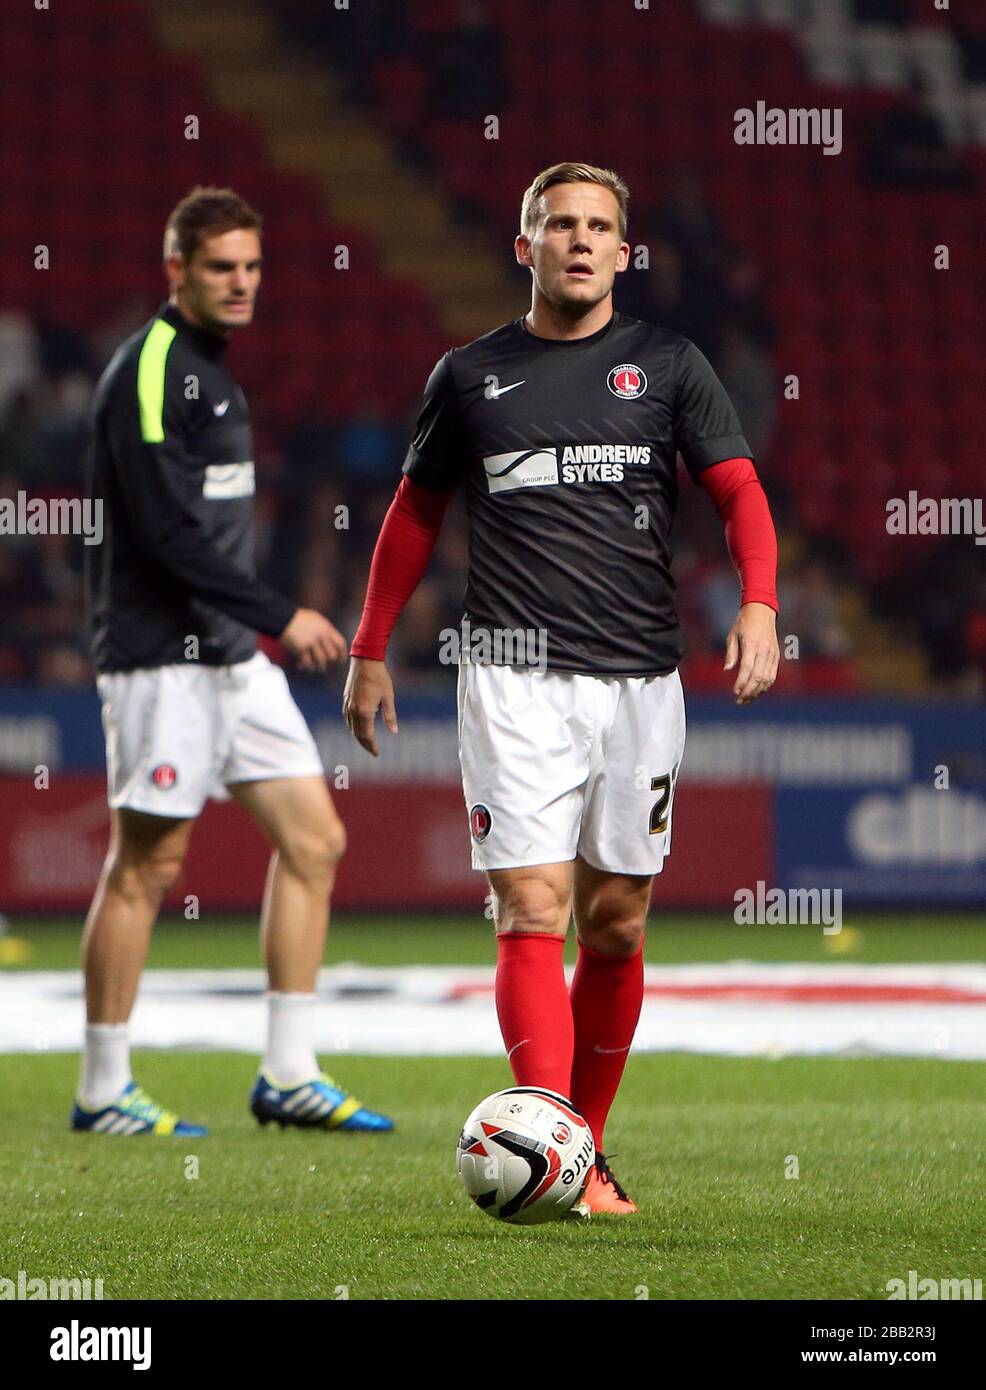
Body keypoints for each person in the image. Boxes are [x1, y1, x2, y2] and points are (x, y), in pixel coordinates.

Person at [344, 162, 778, 1212]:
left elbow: (738, 491)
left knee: (617, 920)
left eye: (598, 227)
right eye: (558, 225)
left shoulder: (668, 366)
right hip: (512, 676)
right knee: (529, 906)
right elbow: (411, 513)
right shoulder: (469, 375)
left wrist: (759, 604)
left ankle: (587, 1147)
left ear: (625, 253)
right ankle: (550, 1148)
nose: (579, 241)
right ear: (523, 245)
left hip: (638, 678)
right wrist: (369, 646)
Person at [78, 186, 393, 1137]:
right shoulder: (150, 368)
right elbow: (166, 534)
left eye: (253, 267)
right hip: (156, 660)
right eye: (222, 267)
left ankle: (287, 1075)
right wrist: (280, 614)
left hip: (227, 659)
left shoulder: (215, 376)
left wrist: (252, 628)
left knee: (316, 842)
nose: (242, 283)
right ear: (176, 270)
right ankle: (102, 1089)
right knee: (146, 863)